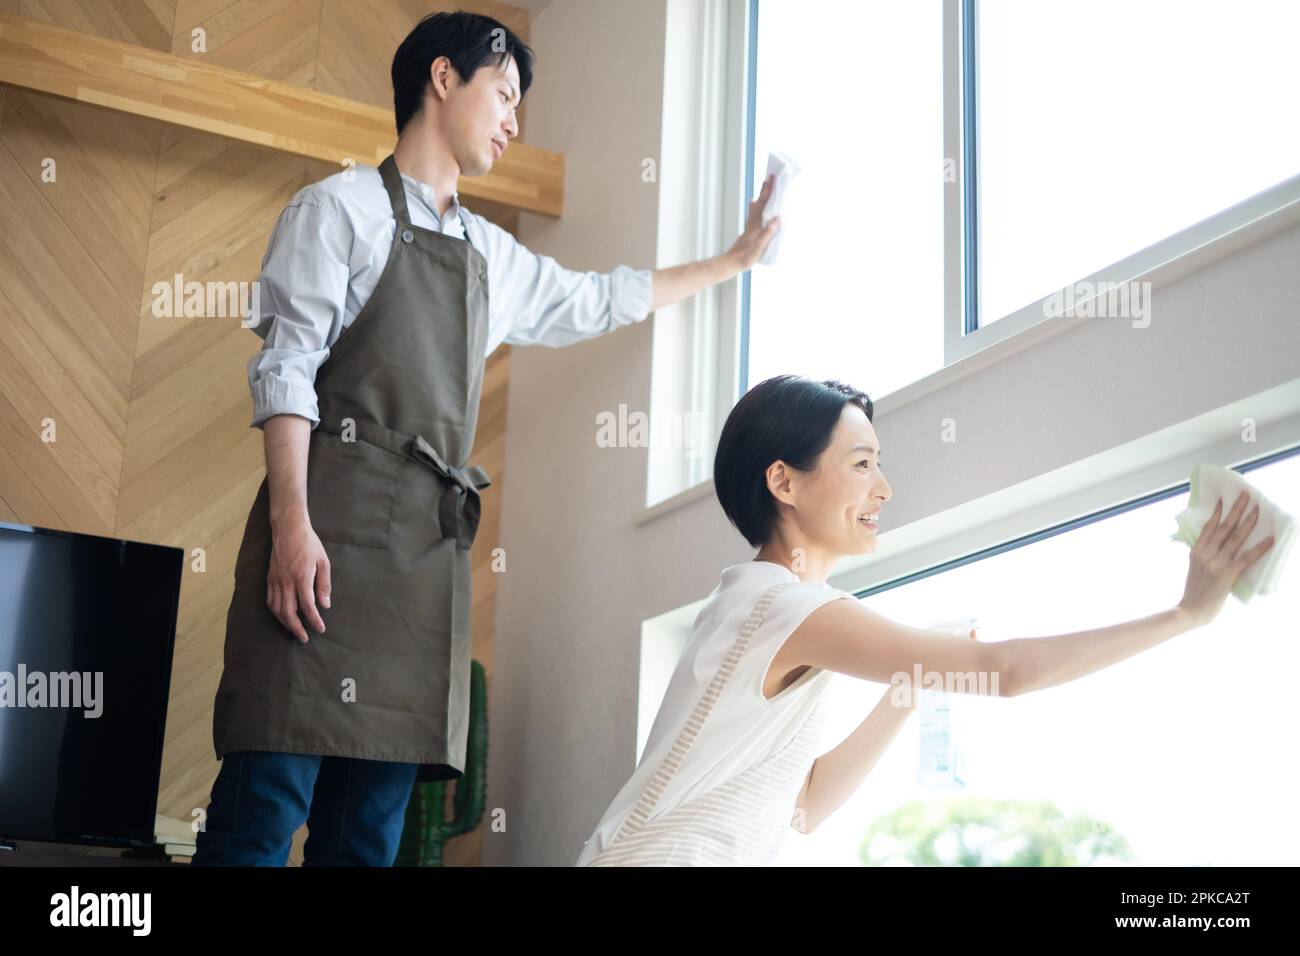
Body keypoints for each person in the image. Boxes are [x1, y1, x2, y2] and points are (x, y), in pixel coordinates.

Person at [192, 10, 780, 867]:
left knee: (367, 841)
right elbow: (286, 374)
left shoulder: (490, 255)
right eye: (503, 95)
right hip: (321, 539)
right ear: (441, 78)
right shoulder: (335, 209)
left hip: (422, 570)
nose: (512, 121)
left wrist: (731, 262)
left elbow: (600, 298)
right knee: (259, 814)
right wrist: (291, 526)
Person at [576, 374, 1275, 866]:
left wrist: (907, 692)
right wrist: (1186, 614)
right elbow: (1005, 673)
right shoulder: (783, 605)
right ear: (783, 481)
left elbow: (805, 807)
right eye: (861, 463)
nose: (884, 487)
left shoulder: (756, 607)